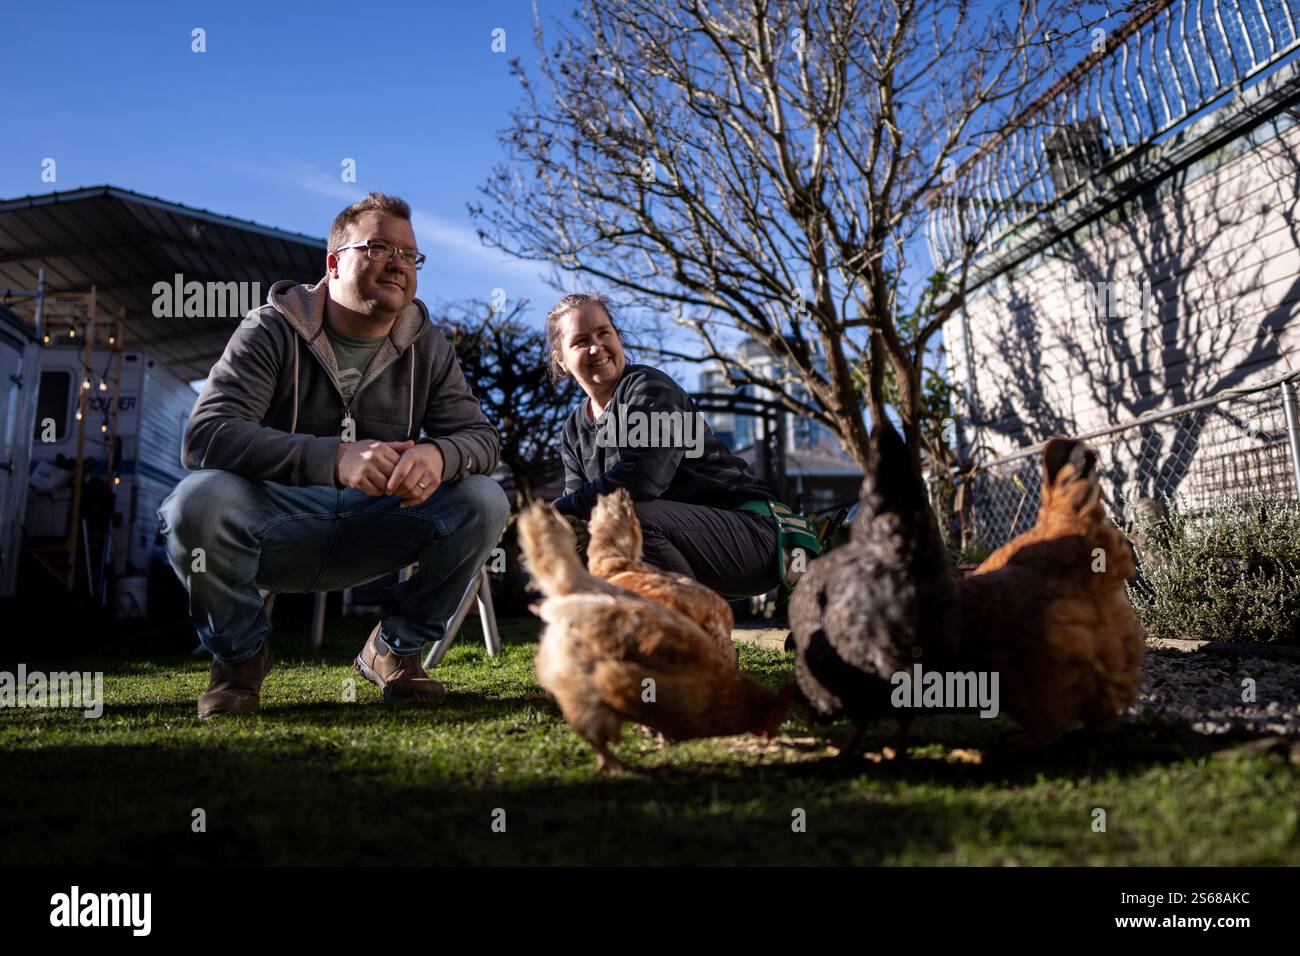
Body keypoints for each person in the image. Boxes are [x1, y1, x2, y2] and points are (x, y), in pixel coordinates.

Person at [159, 192, 509, 719]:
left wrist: (440, 454)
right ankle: (240, 660)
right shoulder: (270, 327)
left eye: (411, 255)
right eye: (380, 247)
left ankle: (395, 649)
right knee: (195, 503)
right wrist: (334, 458)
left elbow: (481, 439)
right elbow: (207, 435)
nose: (399, 263)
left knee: (484, 498)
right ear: (334, 261)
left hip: (376, 526)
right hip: (278, 525)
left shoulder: (428, 345)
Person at [547, 292, 793, 600]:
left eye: (604, 332)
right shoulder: (573, 428)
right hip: (682, 543)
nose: (596, 347)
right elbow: (577, 508)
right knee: (586, 536)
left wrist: (552, 511)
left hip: (754, 534)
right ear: (562, 360)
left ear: (618, 337)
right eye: (581, 341)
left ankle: (692, 633)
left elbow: (641, 481)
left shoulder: (650, 387)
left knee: (627, 517)